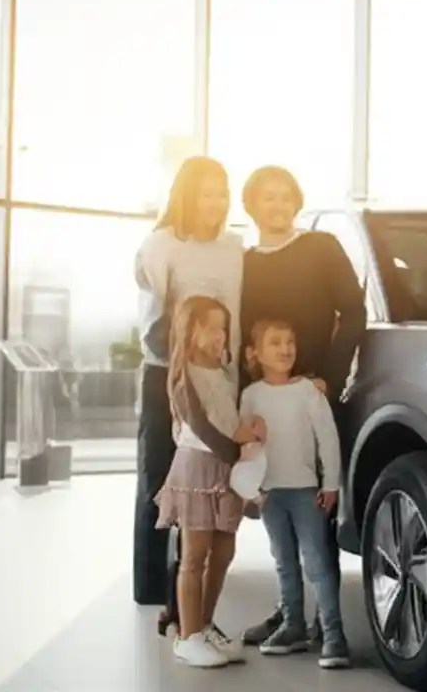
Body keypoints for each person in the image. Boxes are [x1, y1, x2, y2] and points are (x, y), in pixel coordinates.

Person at [236, 166, 366, 647]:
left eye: (285, 195)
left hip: (314, 392)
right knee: (277, 511)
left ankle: (324, 623)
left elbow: (353, 311)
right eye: (267, 197)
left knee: (316, 513)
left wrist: (329, 374)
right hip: (265, 400)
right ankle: (289, 613)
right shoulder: (244, 263)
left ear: (297, 201)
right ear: (251, 206)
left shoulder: (321, 247)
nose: (278, 204)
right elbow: (241, 332)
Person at [133, 157, 244, 607]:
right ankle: (152, 589)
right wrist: (182, 367)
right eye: (206, 193)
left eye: (221, 193)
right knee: (159, 477)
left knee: (206, 480)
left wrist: (226, 371)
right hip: (168, 371)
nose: (215, 202)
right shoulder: (162, 244)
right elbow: (153, 319)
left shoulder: (233, 247)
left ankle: (188, 596)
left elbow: (236, 311)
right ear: (187, 195)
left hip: (218, 374)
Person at [154, 295, 265, 668]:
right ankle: (187, 637)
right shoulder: (183, 375)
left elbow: (233, 417)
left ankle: (203, 625)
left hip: (227, 470)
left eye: (223, 328)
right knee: (194, 556)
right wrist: (237, 452)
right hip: (199, 468)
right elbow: (201, 427)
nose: (220, 335)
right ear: (191, 329)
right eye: (212, 327)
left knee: (223, 553)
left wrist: (248, 443)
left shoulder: (225, 373)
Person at [240, 319, 350, 669]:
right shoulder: (250, 395)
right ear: (256, 353)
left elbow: (327, 438)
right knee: (284, 562)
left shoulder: (307, 391)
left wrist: (330, 484)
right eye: (275, 342)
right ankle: (293, 627)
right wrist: (248, 490)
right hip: (270, 494)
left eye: (289, 341)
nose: (285, 348)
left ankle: (334, 636)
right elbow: (245, 446)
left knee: (318, 563)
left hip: (306, 492)